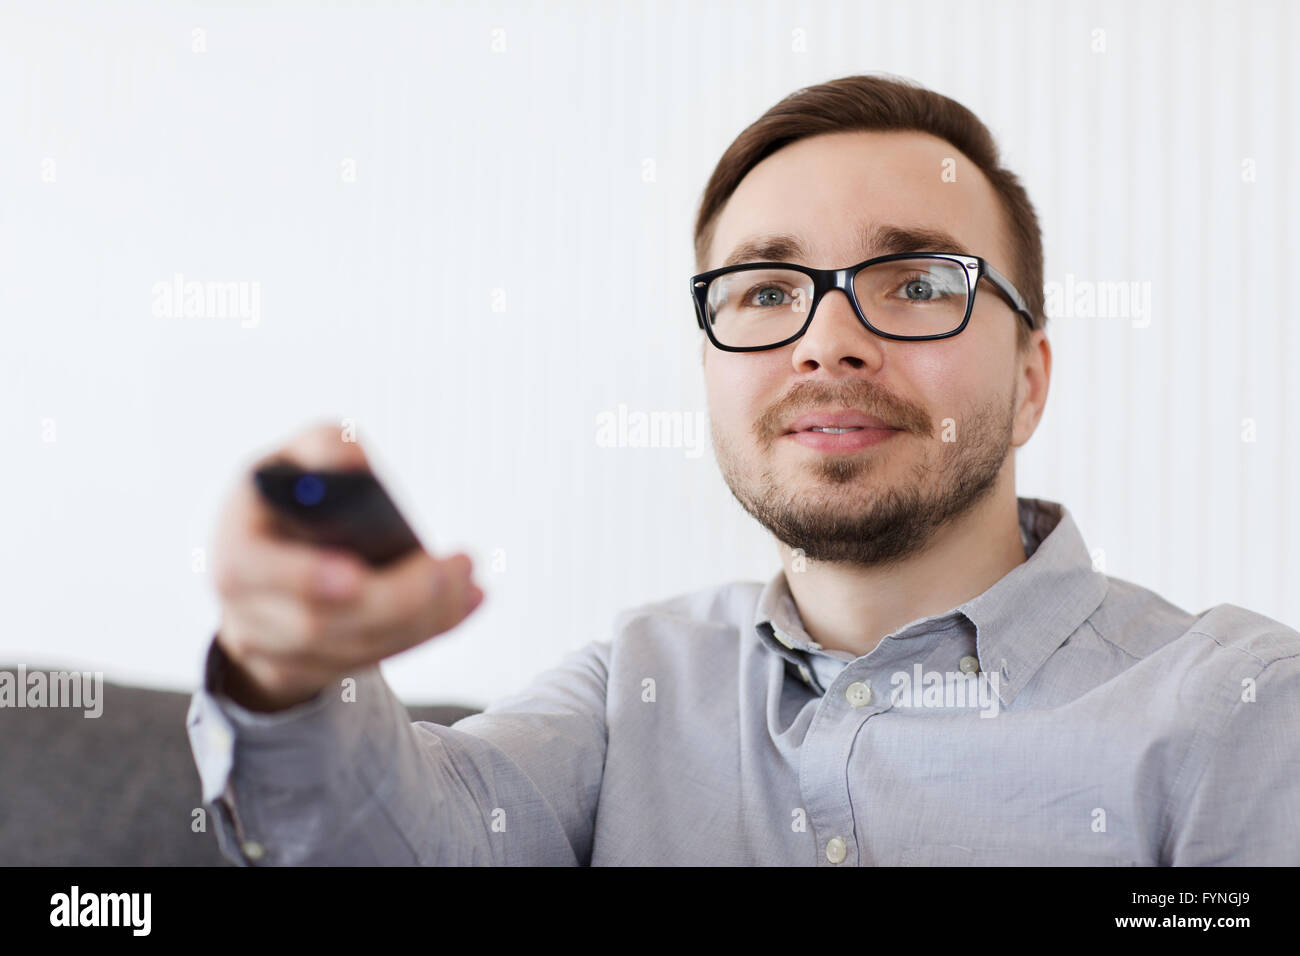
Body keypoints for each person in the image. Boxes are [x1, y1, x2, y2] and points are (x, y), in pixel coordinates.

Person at [187, 73, 1300, 865]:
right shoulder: (632, 686)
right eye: (767, 293)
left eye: (914, 282)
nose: (827, 341)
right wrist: (288, 680)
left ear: (1029, 381)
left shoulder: (1242, 709)